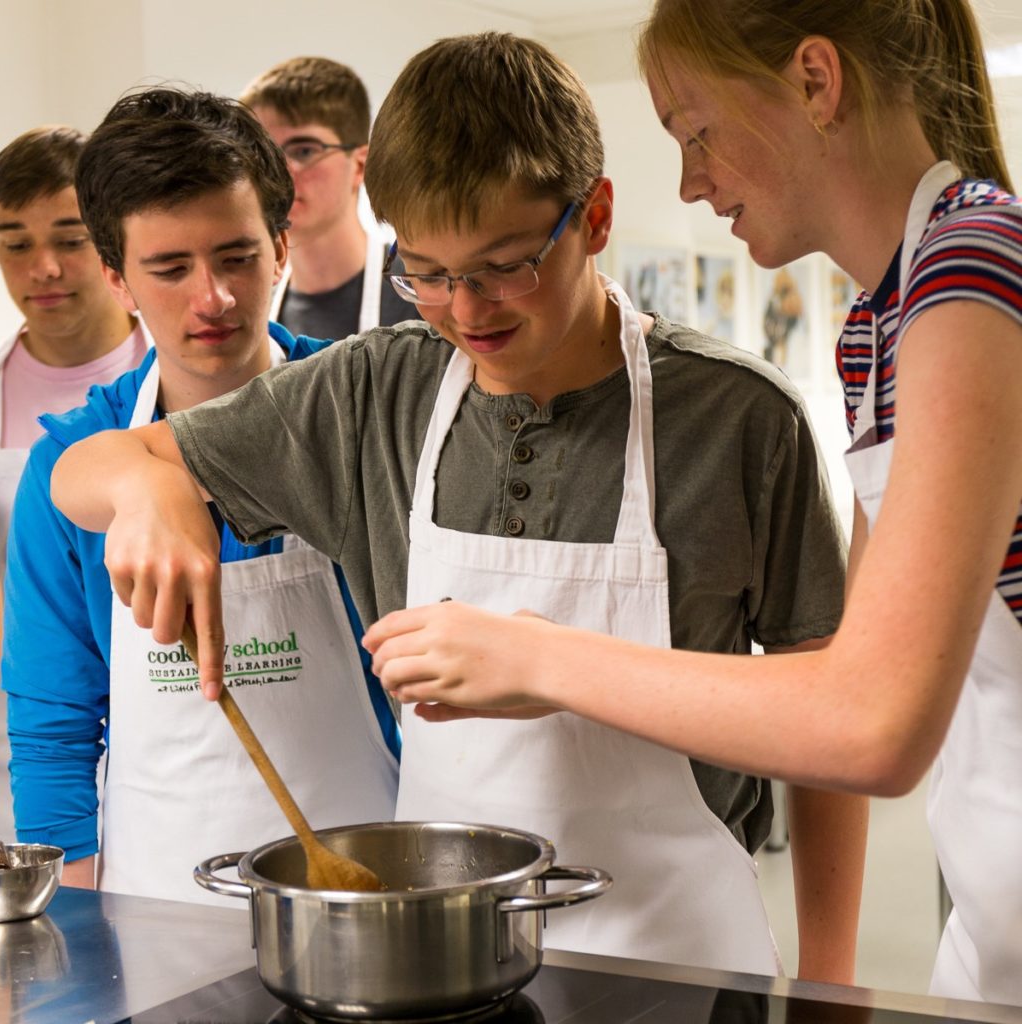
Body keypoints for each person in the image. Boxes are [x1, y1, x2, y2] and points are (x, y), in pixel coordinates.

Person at [50, 35, 864, 980]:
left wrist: (831, 978)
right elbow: (87, 467)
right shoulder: (376, 394)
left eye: (504, 265)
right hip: (449, 962)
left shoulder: (737, 418)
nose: (467, 312)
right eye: (428, 274)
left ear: (595, 217)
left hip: (682, 957)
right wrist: (150, 486)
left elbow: (828, 710)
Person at [362, 1, 1022, 1007]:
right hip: (992, 922)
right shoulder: (878, 321)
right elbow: (857, 674)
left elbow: (872, 722)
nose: (689, 180)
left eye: (696, 131)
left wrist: (538, 657)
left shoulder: (974, 264)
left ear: (815, 82)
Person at [2, 89, 399, 903]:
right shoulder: (67, 464)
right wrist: (73, 920)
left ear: (281, 248)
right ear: (117, 277)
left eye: (237, 257)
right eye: (170, 269)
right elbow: (53, 725)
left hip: (374, 881)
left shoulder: (365, 414)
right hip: (157, 900)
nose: (212, 297)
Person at [0, 126, 149, 840]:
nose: (45, 268)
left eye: (70, 239)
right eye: (15, 243)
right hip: (23, 717)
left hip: (151, 707)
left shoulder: (173, 376)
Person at [240, 56, 408, 339]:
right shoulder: (249, 308)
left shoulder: (420, 290)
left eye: (304, 151)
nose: (277, 172)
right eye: (263, 154)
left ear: (360, 165)